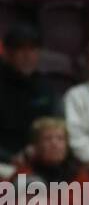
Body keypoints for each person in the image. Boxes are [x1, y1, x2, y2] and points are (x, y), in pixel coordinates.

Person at [0, 24, 61, 165]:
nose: (27, 56)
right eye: (21, 49)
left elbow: (54, 128)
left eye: (33, 49)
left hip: (40, 159)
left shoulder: (45, 88)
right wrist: (9, 158)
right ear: (7, 53)